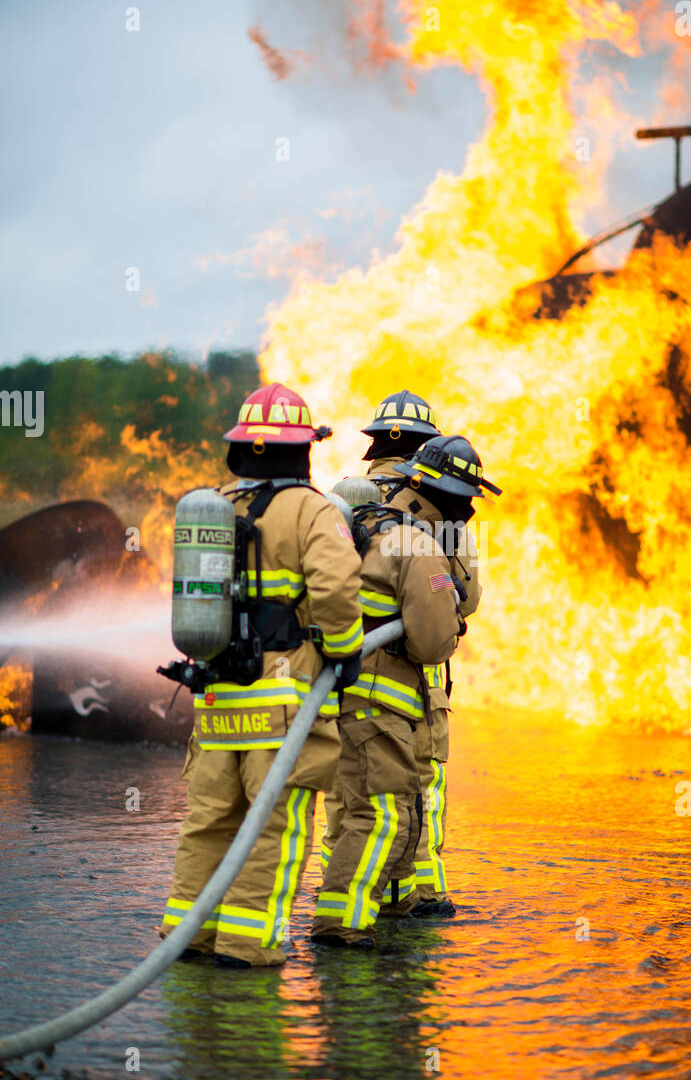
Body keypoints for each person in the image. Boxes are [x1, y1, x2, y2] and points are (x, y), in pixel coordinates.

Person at [160, 382, 362, 968]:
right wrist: (344, 651)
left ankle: (189, 937)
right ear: (302, 451)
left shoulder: (215, 509)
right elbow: (335, 589)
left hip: (219, 704)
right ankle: (249, 947)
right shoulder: (314, 510)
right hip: (285, 709)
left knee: (209, 823)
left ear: (240, 450)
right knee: (274, 828)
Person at [310, 483, 463, 948]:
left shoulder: (351, 543)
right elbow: (433, 641)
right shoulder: (415, 544)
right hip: (381, 704)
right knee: (381, 814)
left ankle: (387, 904)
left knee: (373, 806)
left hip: (337, 700)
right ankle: (342, 924)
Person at [382, 434, 500, 915]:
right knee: (413, 791)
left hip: (353, 686)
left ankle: (382, 897)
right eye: (465, 498)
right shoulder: (425, 535)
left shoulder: (365, 507)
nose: (468, 510)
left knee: (365, 800)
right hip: (407, 685)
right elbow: (450, 620)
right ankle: (396, 902)